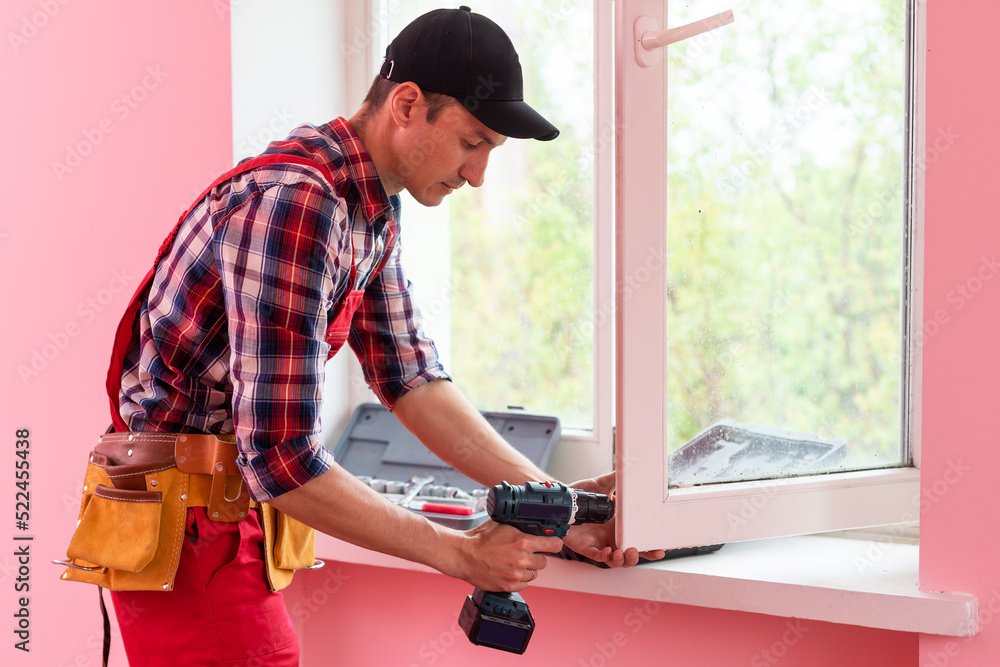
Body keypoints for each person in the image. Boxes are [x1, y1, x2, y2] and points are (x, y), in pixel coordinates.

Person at [93, 6, 663, 665]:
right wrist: (461, 554)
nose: (477, 175)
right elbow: (282, 458)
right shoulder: (298, 202)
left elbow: (411, 380)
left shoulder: (369, 208)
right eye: (472, 142)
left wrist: (562, 505)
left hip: (227, 524)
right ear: (408, 103)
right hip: (184, 530)